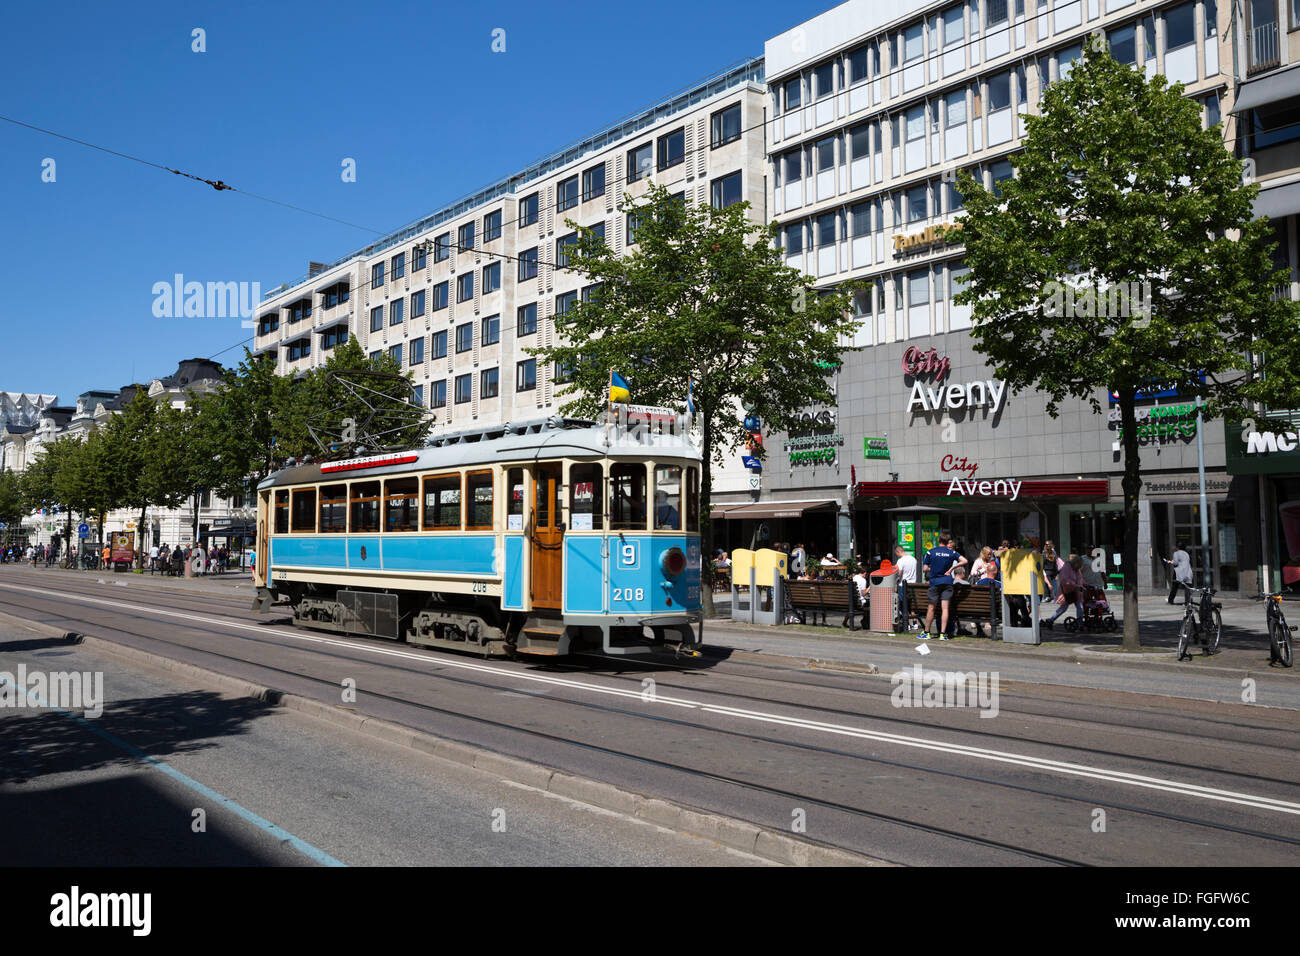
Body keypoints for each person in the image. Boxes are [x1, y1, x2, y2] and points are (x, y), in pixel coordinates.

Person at [922, 532, 968, 639]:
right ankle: (943, 634)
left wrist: (933, 569)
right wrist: (951, 569)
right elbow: (964, 561)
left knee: (931, 608)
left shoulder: (931, 552)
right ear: (948, 542)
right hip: (947, 582)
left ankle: (926, 632)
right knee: (945, 609)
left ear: (939, 540)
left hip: (934, 582)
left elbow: (925, 569)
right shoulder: (951, 552)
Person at [1044, 556, 1085, 627]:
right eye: (1079, 565)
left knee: (1080, 607)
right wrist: (1075, 585)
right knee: (1063, 608)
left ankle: (1080, 623)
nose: (1080, 567)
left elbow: (1080, 578)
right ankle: (1051, 620)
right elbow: (1064, 580)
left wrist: (1084, 584)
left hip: (1076, 591)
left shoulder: (1076, 569)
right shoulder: (1066, 567)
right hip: (1067, 591)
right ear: (1076, 563)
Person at [895, 545, 919, 626]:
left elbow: (899, 573)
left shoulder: (900, 561)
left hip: (903, 585)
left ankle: (906, 624)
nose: (897, 556)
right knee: (912, 605)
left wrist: (896, 580)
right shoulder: (913, 559)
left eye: (896, 554)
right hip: (913, 585)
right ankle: (915, 623)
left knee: (903, 604)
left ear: (898, 552)